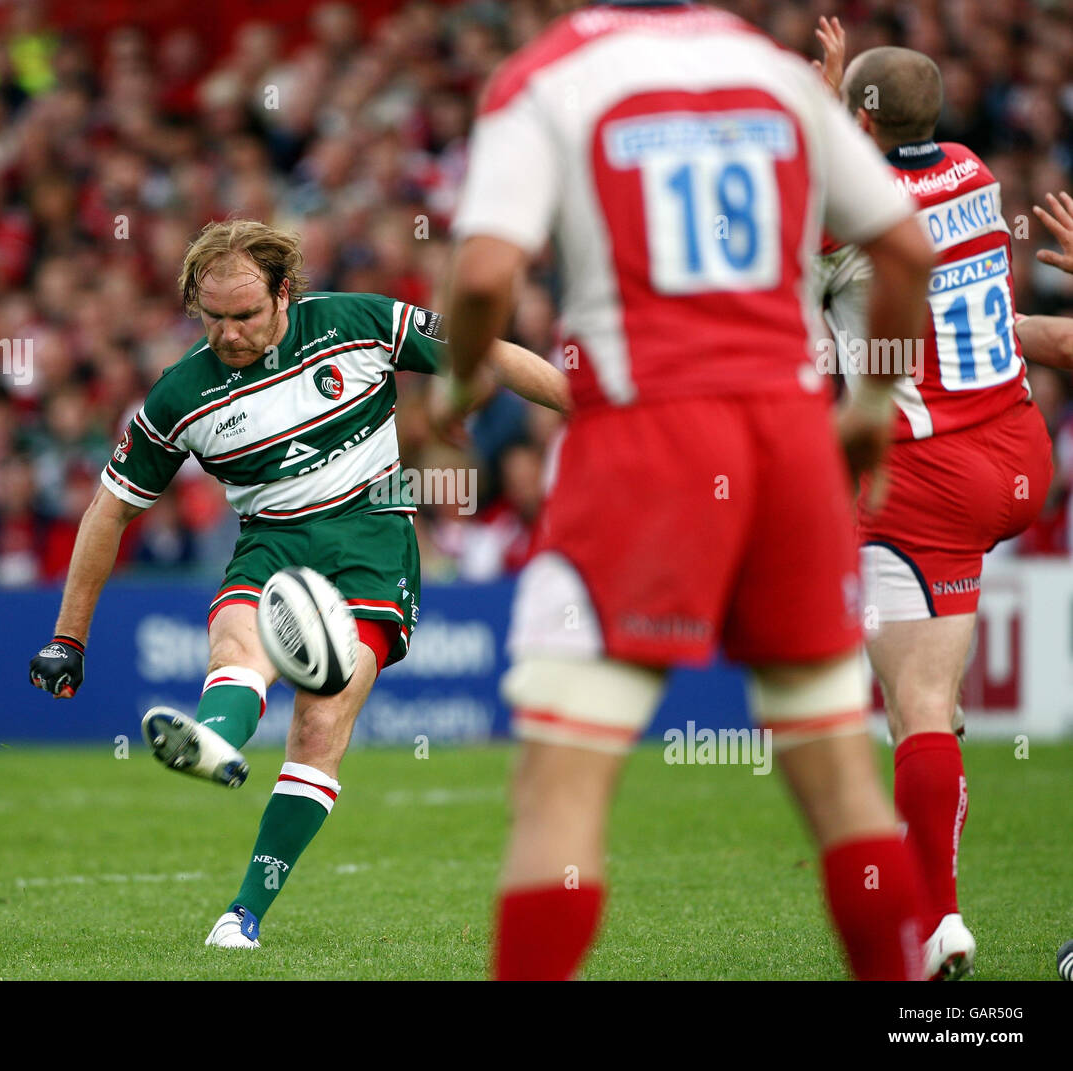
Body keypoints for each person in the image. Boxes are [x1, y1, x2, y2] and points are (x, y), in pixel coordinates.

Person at [446, 0, 936, 981]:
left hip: (644, 439)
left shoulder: (545, 76)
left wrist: (458, 384)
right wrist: (873, 402)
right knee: (843, 782)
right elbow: (907, 251)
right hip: (792, 436)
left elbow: (484, 275)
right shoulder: (779, 75)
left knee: (561, 792)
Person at [29, 219, 568, 949]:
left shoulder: (360, 323)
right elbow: (108, 510)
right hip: (272, 545)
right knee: (236, 644)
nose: (228, 333)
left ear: (285, 293)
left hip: (371, 545)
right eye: (212, 317)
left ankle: (243, 910)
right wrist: (68, 637)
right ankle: (214, 738)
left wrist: (595, 414)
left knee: (319, 724)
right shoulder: (180, 395)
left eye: (245, 315)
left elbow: (489, 355)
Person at [812, 23, 1055, 980]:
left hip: (927, 472)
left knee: (911, 705)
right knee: (934, 701)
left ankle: (936, 921)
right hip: (1018, 450)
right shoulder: (969, 169)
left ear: (862, 118)